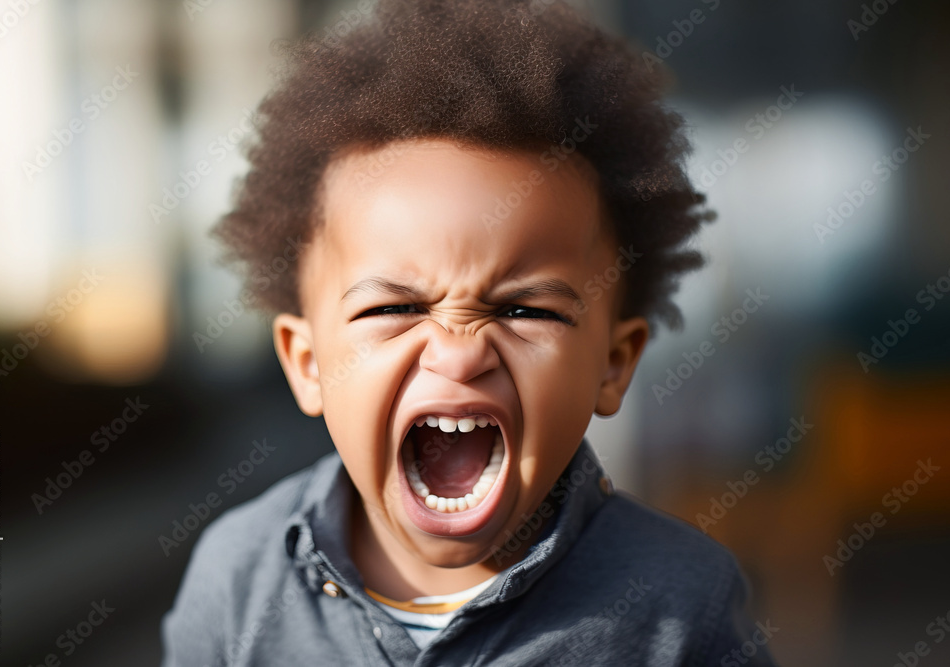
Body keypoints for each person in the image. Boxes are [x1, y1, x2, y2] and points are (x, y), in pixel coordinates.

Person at [162, 0, 777, 664]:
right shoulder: (238, 579)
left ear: (613, 361)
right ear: (307, 362)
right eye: (393, 308)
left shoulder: (681, 604)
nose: (459, 350)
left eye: (525, 310)